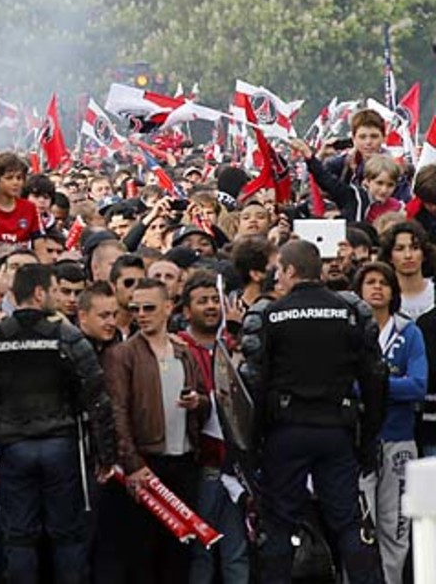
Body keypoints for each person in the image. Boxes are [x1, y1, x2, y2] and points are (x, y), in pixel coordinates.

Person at [240, 240, 387, 584]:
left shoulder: (271, 314)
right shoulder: (351, 312)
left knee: (277, 524)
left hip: (286, 433)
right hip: (337, 430)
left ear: (291, 270)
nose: (278, 278)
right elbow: (376, 377)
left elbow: (254, 385)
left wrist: (254, 441)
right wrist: (369, 436)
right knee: (349, 523)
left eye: (279, 272)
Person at [0, 264, 118, 584]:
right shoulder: (67, 335)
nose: (59, 297)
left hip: (14, 449)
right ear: (39, 292)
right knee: (68, 537)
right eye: (54, 290)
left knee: (18, 537)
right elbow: (98, 399)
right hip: (62, 448)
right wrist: (107, 456)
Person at [100, 278, 209, 584]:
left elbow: (206, 401)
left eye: (149, 308)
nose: (142, 314)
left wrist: (196, 401)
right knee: (142, 554)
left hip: (185, 460)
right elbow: (117, 413)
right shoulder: (123, 354)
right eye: (136, 309)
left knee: (180, 552)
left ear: (167, 308)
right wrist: (133, 464)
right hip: (146, 464)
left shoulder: (184, 350)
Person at [351, 262, 427, 583]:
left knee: (396, 530)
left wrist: (371, 387)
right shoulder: (349, 334)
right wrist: (386, 386)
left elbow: (418, 385)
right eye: (370, 282)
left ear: (394, 291)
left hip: (399, 441)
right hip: (358, 444)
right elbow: (343, 384)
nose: (377, 288)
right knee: (358, 530)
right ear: (359, 290)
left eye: (384, 282)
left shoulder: (409, 332)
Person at [175, 271, 250, 584]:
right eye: (201, 301)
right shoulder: (178, 348)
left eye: (213, 300)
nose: (210, 307)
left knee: (236, 549)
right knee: (201, 550)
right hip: (200, 466)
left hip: (235, 468)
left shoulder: (233, 345)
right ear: (186, 311)